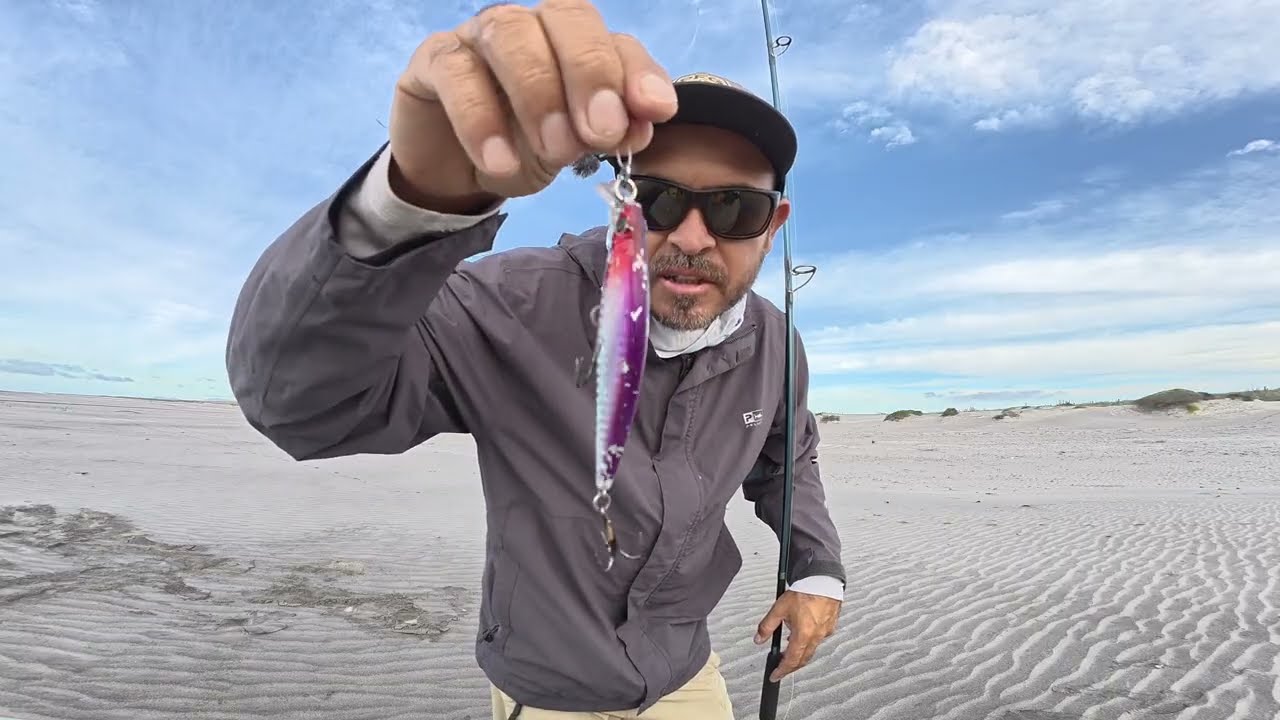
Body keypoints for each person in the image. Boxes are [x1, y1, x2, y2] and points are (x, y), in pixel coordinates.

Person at [224, 1, 845, 717]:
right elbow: (303, 406)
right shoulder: (504, 301)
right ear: (618, 200)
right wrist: (412, 202)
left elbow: (788, 459)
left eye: (736, 208)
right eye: (658, 199)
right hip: (547, 693)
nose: (696, 237)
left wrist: (815, 570)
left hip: (686, 678)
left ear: (774, 227)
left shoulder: (774, 342)